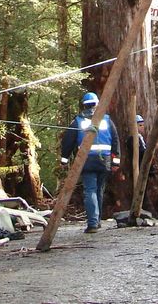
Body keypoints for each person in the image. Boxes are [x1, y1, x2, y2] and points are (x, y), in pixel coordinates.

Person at [60, 91, 120, 233]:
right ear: (97, 104)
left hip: (86, 161)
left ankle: (93, 223)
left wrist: (64, 160)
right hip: (104, 161)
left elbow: (68, 142)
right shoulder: (106, 120)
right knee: (99, 190)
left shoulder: (78, 121)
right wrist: (116, 162)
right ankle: (96, 221)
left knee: (90, 190)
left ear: (84, 105)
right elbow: (115, 141)